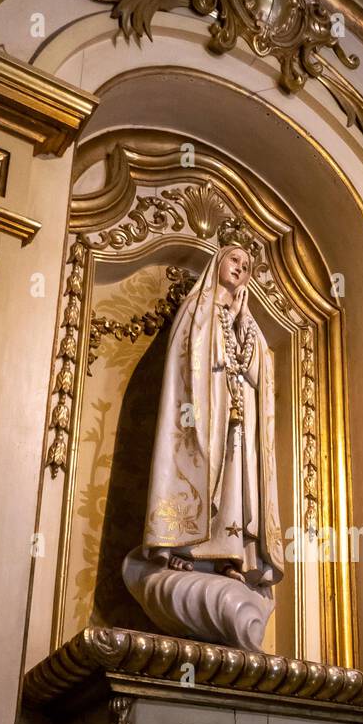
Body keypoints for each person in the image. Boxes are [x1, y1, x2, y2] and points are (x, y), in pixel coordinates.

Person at [142, 217, 283, 594]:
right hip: (205, 410)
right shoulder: (197, 309)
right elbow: (188, 358)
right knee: (200, 465)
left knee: (236, 478)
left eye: (246, 266)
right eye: (234, 259)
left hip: (237, 415)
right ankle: (184, 545)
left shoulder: (248, 323)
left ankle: (228, 555)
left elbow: (257, 370)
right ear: (218, 261)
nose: (240, 268)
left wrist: (240, 325)